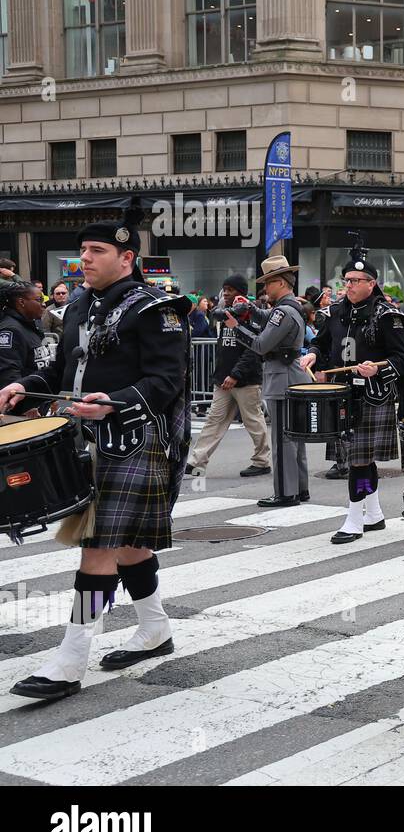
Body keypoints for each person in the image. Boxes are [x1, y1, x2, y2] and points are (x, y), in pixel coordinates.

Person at [0, 207, 192, 701]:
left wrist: (117, 402)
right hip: (83, 438)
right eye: (82, 251)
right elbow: (64, 369)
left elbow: (166, 382)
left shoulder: (157, 308)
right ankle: (155, 629)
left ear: (126, 258)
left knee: (99, 542)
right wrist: (25, 384)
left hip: (136, 438)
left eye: (96, 251)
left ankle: (70, 658)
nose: (84, 259)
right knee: (127, 543)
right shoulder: (81, 306)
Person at [301, 248, 404, 543]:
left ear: (371, 284)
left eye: (355, 280)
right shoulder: (336, 313)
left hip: (372, 395)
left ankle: (354, 520)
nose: (349, 285)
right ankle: (374, 514)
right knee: (360, 460)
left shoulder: (387, 316)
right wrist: (313, 354)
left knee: (358, 461)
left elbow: (402, 360)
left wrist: (376, 369)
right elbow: (321, 342)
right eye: (347, 280)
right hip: (341, 394)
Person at [225, 256, 311, 506]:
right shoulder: (289, 307)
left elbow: (261, 345)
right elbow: (269, 320)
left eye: (268, 283)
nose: (265, 289)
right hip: (291, 376)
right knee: (295, 439)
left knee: (283, 440)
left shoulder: (283, 310)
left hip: (282, 379)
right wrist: (251, 311)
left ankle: (286, 493)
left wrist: (235, 327)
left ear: (281, 283)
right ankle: (300, 489)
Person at [185, 275, 272, 479]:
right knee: (214, 420)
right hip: (223, 379)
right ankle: (197, 460)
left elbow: (253, 350)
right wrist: (221, 374)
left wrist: (235, 374)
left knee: (253, 421)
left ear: (240, 292)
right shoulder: (224, 314)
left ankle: (262, 461)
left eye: (231, 289)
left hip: (246, 379)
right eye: (224, 289)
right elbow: (224, 347)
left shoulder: (252, 315)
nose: (226, 293)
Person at [0, 280, 50, 387]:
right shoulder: (10, 330)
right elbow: (9, 378)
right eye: (39, 300)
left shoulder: (34, 324)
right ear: (21, 302)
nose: (44, 304)